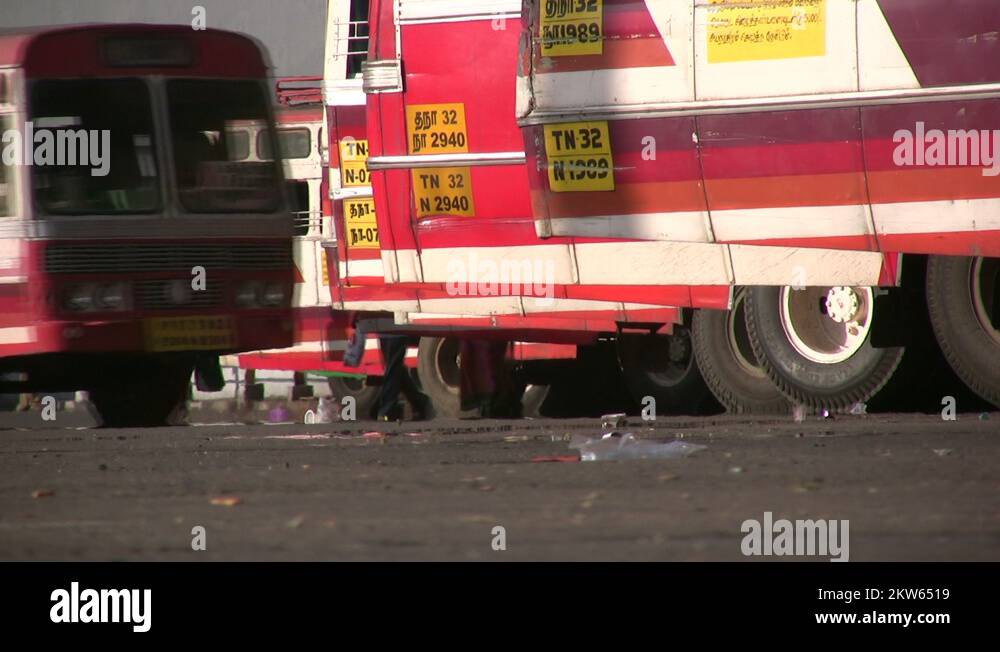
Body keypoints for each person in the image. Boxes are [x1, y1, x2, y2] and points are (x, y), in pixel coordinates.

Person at [377, 334, 430, 421]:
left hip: (394, 331)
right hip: (385, 331)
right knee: (395, 368)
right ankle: (420, 402)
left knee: (393, 367)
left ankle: (387, 409)